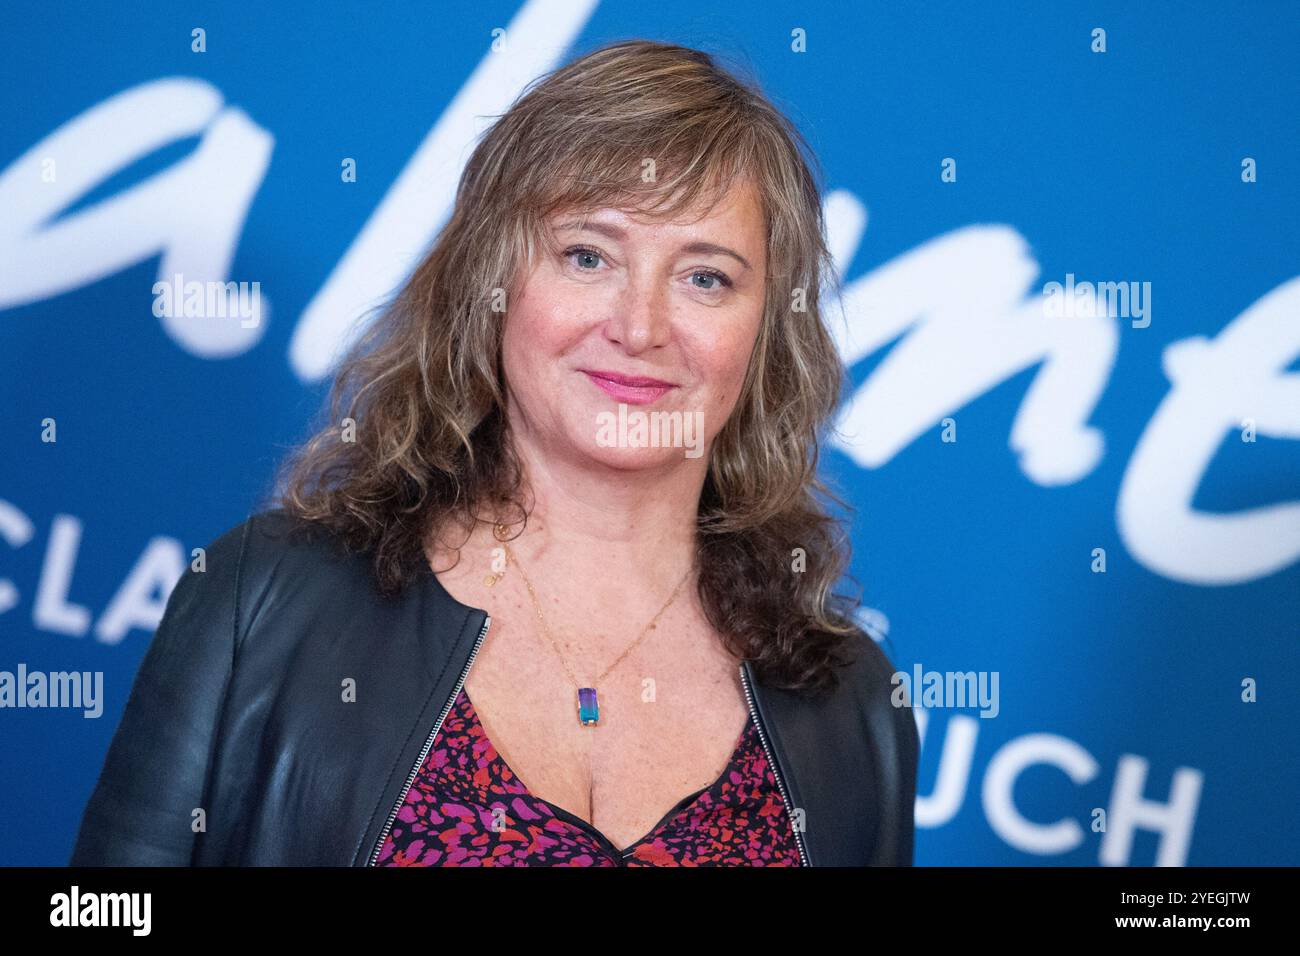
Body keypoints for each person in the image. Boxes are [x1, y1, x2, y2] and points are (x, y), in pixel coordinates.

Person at [70, 39, 918, 867]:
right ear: (492, 286)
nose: (640, 327)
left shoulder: (851, 706)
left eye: (705, 278)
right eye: (587, 256)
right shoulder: (257, 602)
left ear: (770, 330)